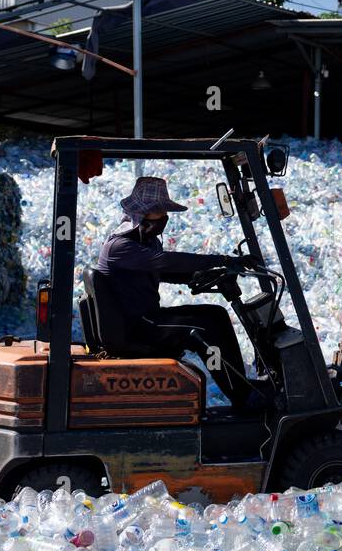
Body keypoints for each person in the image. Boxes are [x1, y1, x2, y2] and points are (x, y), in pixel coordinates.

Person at [92, 175, 259, 408]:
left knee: (216, 315)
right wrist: (221, 259)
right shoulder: (120, 246)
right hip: (137, 325)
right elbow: (165, 262)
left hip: (148, 317)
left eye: (164, 213)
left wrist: (209, 273)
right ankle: (242, 398)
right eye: (157, 213)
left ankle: (243, 383)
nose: (163, 218)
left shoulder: (145, 241)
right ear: (141, 214)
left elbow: (166, 272)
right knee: (202, 329)